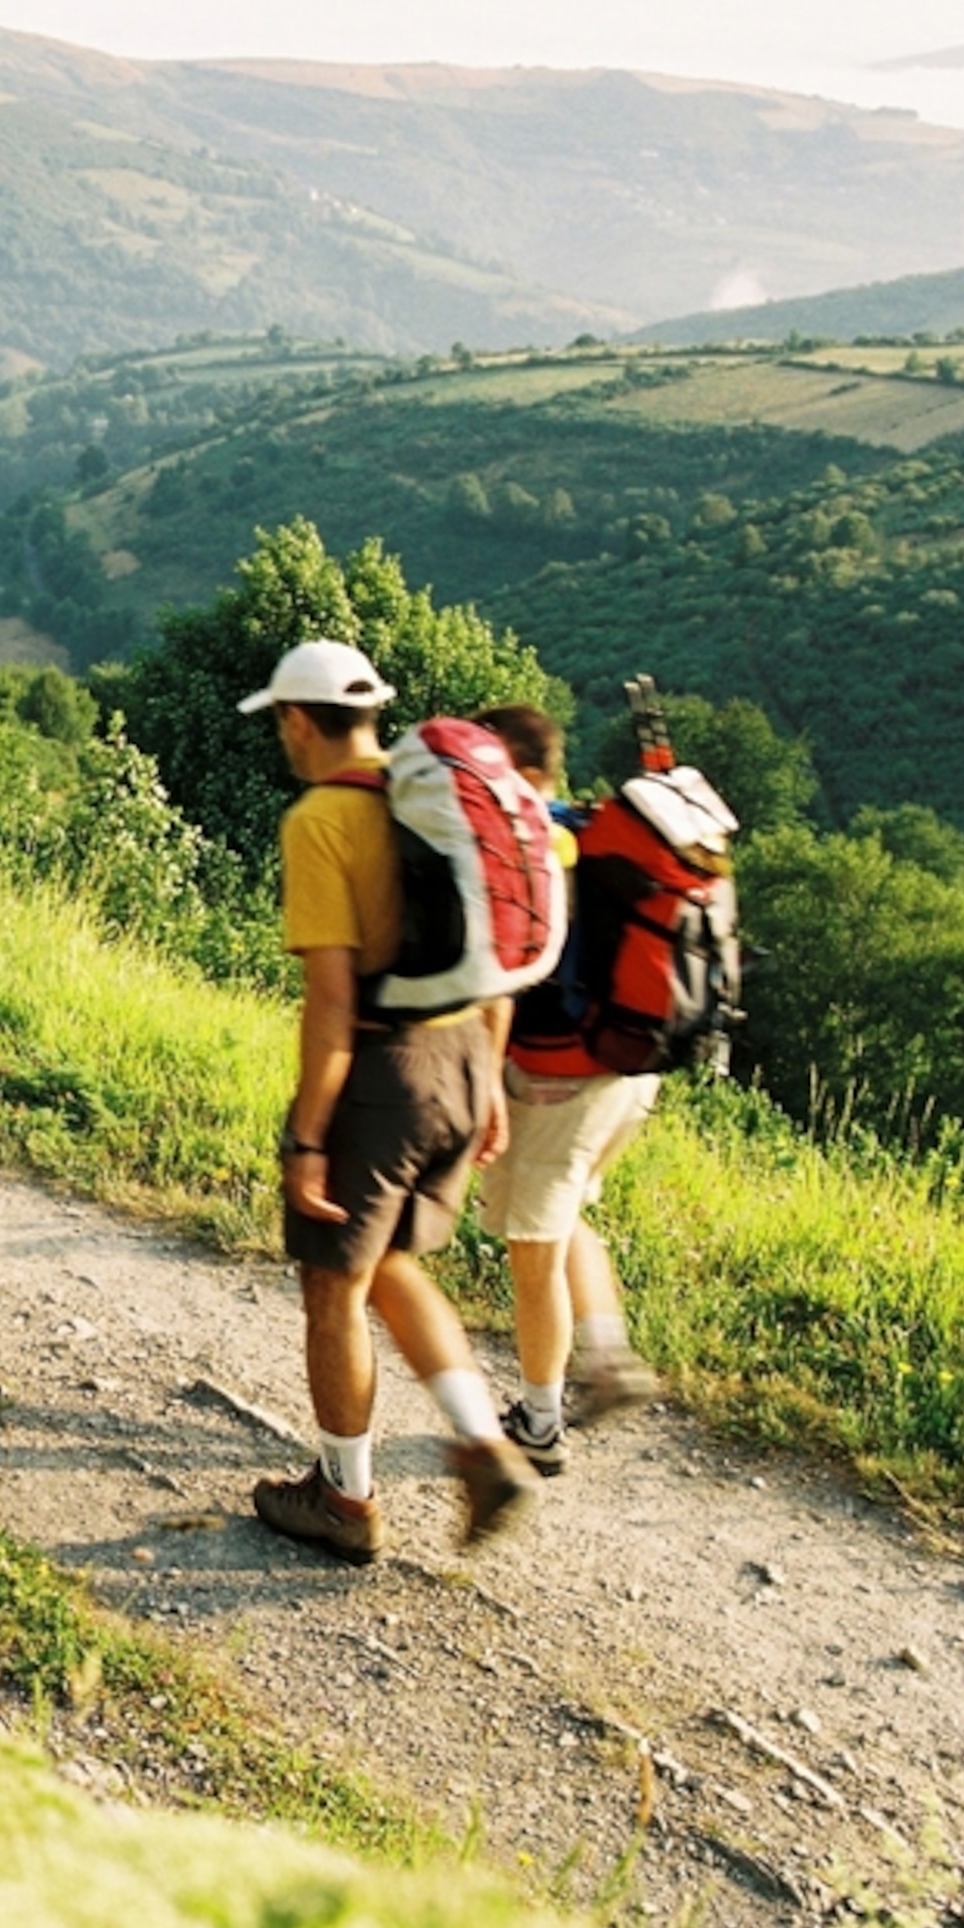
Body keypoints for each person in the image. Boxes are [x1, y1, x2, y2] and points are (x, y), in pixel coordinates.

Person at [243, 641, 541, 1565]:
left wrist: (305, 1136)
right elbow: (492, 954)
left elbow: (332, 1000)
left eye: (283, 724)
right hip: (461, 1059)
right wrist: (486, 1080)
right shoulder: (439, 801)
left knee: (333, 1283)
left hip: (385, 1073)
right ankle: (484, 1448)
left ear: (296, 721)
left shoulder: (322, 821)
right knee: (397, 1262)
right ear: (372, 715)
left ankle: (344, 1499)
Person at [470, 703, 664, 1476]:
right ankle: (610, 1357)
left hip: (562, 1078)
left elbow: (503, 978)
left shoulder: (524, 842)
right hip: (630, 1069)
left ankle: (539, 1428)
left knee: (532, 1249)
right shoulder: (589, 828)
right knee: (566, 1208)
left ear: (517, 765)